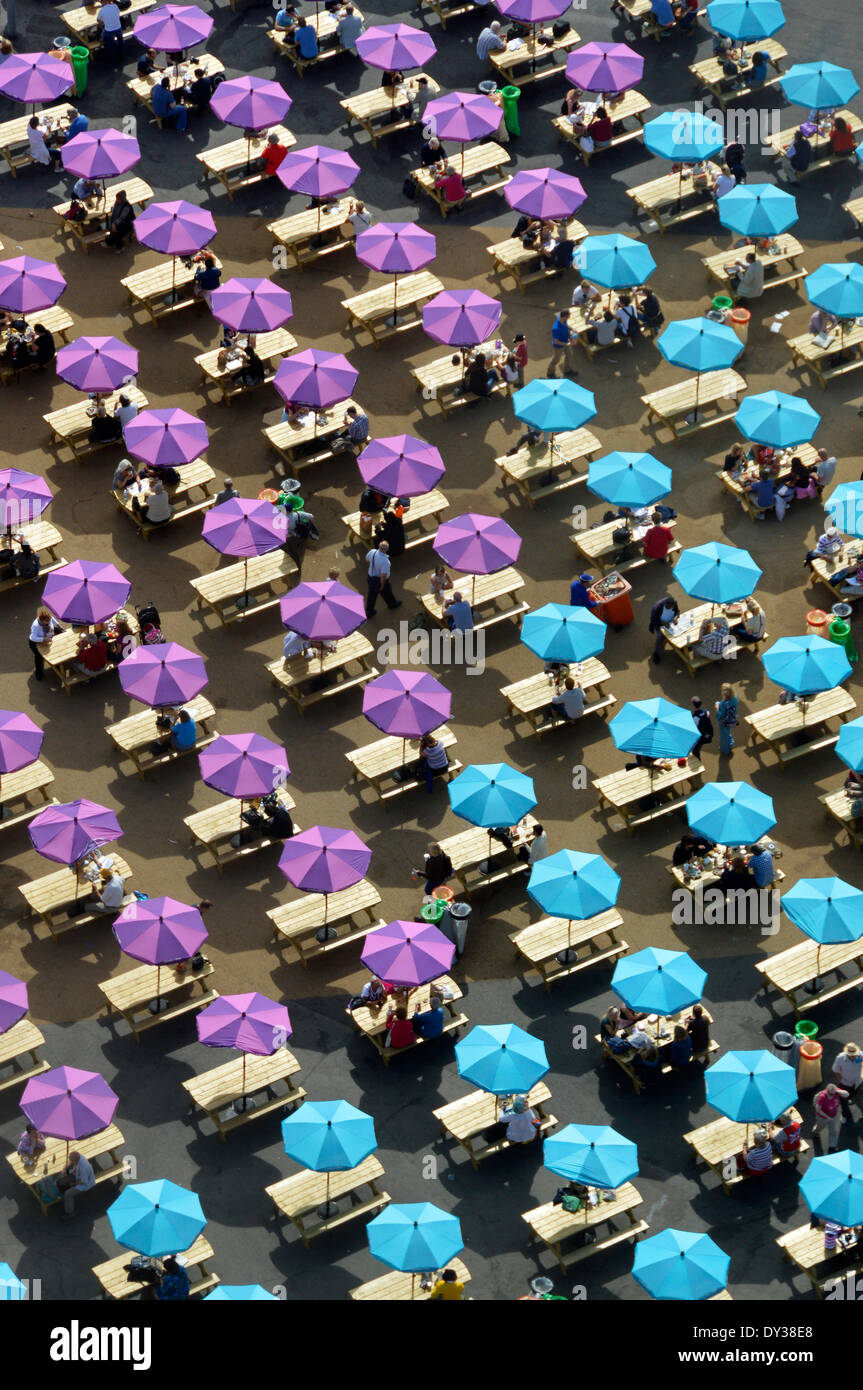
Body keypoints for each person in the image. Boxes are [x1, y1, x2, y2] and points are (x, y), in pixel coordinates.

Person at [365, 541, 400, 618]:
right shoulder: (385, 561)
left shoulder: (372, 552)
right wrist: (382, 585)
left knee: (371, 596)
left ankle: (369, 611)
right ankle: (392, 605)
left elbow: (367, 560)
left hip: (370, 578)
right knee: (387, 593)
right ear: (386, 549)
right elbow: (383, 576)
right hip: (379, 581)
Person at [814, 1083, 849, 1152]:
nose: (832, 1096)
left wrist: (837, 1091)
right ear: (827, 1092)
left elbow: (847, 1094)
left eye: (834, 1094)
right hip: (822, 1117)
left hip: (833, 1116)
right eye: (831, 1094)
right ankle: (815, 1132)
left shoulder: (835, 1092)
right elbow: (818, 1109)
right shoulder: (822, 1097)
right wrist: (827, 1117)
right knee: (820, 1127)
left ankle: (832, 1146)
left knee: (833, 1131)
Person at [60, 1150, 95, 1218]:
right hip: (77, 1176)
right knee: (62, 1179)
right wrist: (64, 1169)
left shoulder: (84, 1167)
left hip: (85, 1184)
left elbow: (83, 1181)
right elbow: (69, 1162)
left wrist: (73, 1184)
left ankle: (70, 1213)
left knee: (68, 1194)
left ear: (75, 1161)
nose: (70, 1161)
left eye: (71, 1160)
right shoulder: (78, 1158)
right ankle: (64, 1197)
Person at [833, 1042, 863, 1121]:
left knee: (854, 1093)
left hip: (857, 1082)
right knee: (843, 1100)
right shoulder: (840, 1058)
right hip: (845, 1083)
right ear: (847, 1054)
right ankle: (845, 1115)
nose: (854, 1056)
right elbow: (836, 1070)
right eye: (852, 1055)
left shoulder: (860, 1055)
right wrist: (841, 1080)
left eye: (855, 1054)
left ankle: (850, 1097)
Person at [648, 592, 680, 663]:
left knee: (680, 632)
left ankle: (682, 648)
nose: (670, 608)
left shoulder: (674, 603)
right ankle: (657, 654)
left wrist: (675, 618)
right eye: (668, 607)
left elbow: (677, 612)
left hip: (671, 622)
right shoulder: (657, 608)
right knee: (660, 637)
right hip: (660, 624)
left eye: (671, 607)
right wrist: (663, 623)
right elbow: (654, 620)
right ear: (665, 604)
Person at [551, 309, 578, 378]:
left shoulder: (563, 319)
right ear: (564, 317)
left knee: (569, 355)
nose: (569, 318)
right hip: (558, 346)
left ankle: (567, 370)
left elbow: (566, 325)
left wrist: (572, 329)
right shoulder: (556, 328)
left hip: (566, 341)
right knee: (556, 359)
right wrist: (566, 344)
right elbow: (555, 341)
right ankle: (550, 373)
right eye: (568, 316)